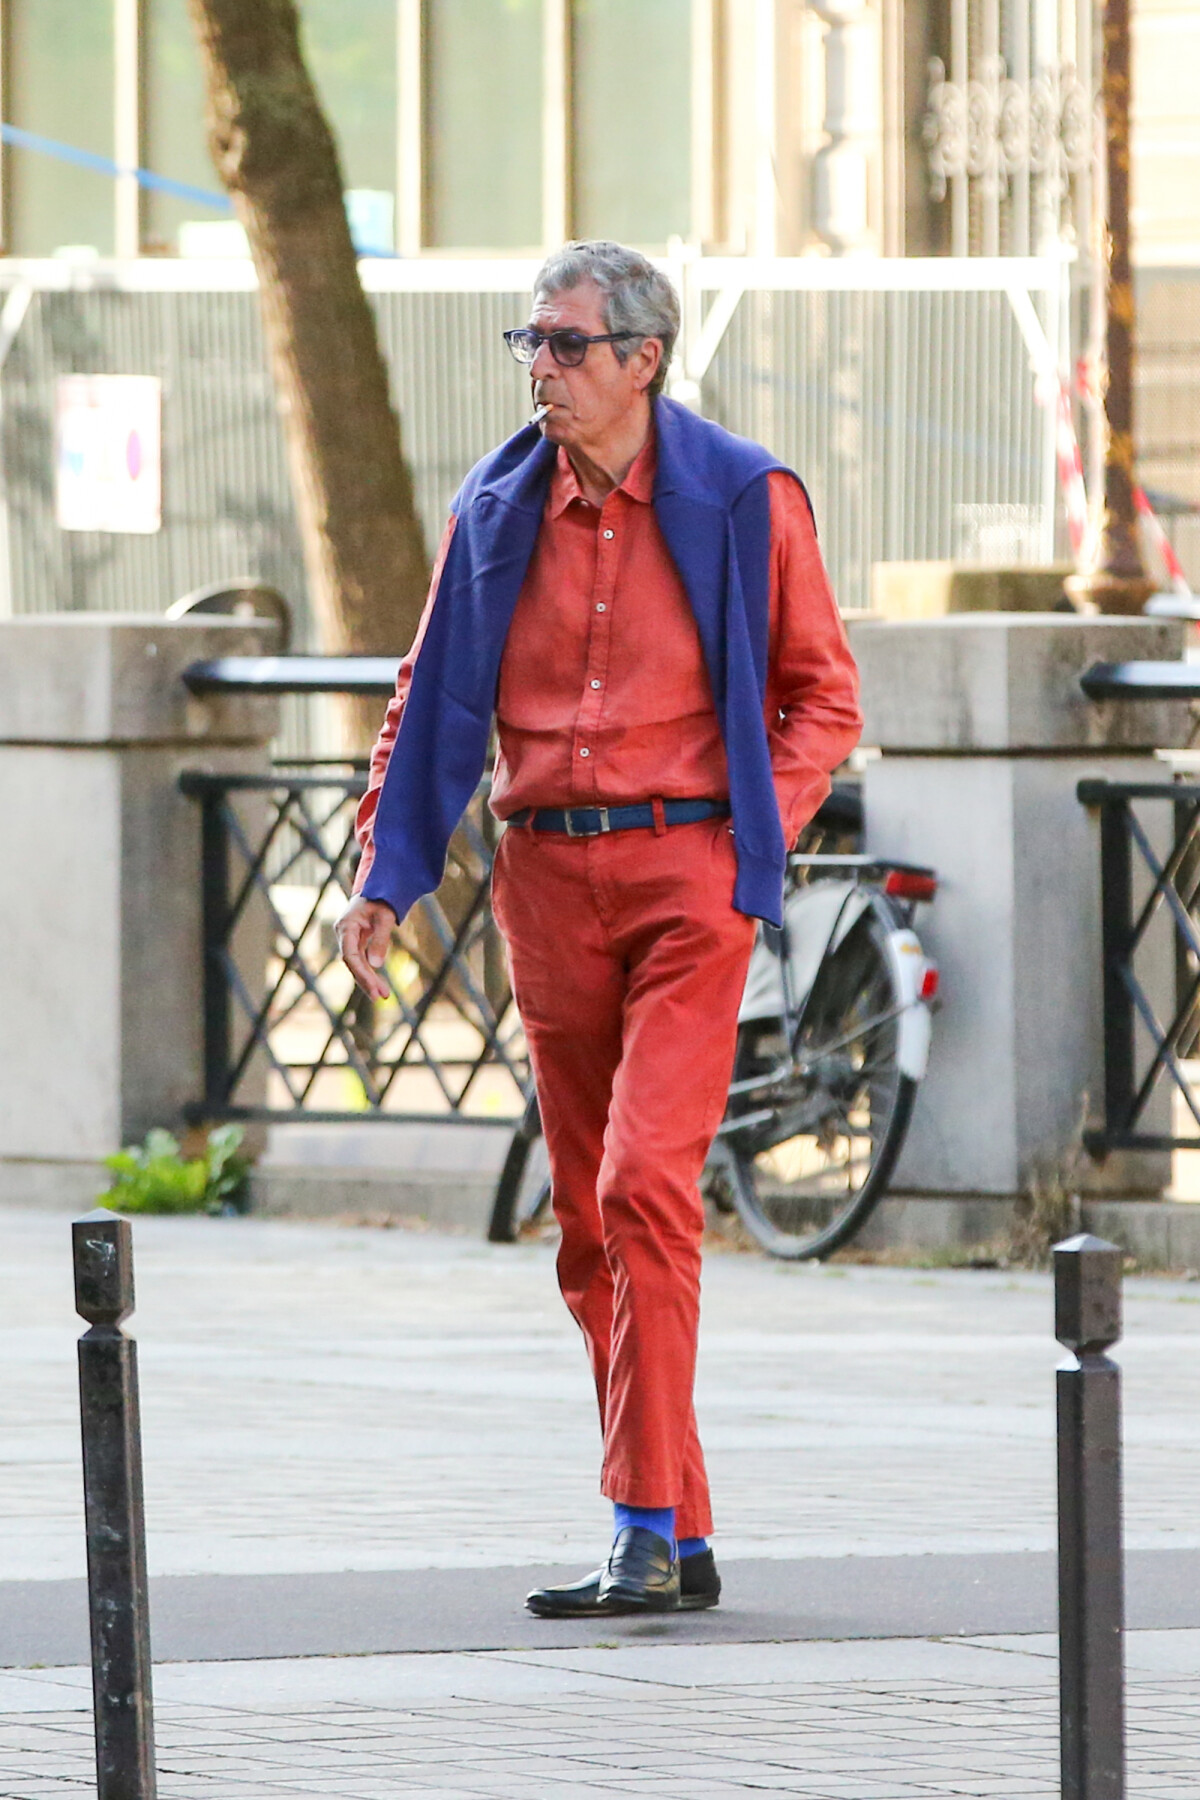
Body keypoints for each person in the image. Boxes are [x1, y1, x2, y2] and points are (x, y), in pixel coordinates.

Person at [337, 240, 861, 1617]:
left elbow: (823, 700)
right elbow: (428, 693)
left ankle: (635, 1525)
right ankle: (680, 1526)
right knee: (585, 1222)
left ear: (644, 358)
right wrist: (383, 873)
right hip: (543, 883)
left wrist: (757, 840)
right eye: (530, 343)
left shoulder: (746, 496)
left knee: (642, 1186)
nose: (541, 370)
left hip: (689, 877)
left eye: (566, 345)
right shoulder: (496, 507)